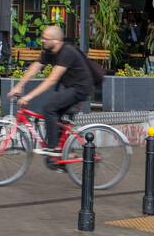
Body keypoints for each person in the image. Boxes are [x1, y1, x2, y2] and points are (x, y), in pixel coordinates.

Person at [8, 24, 93, 165]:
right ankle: (64, 156)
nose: (42, 41)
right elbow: (35, 67)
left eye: (45, 38)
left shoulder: (67, 52)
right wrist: (19, 85)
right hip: (68, 87)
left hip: (81, 88)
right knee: (56, 115)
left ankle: (53, 148)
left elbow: (52, 79)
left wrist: (29, 96)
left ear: (56, 40)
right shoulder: (49, 51)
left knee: (49, 108)